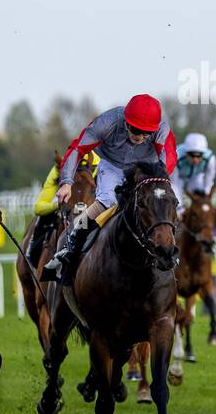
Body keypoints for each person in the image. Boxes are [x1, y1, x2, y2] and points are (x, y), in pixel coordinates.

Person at [44, 94, 177, 280]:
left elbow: (168, 156)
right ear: (126, 122)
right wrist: (66, 182)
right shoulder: (107, 122)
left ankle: (170, 250)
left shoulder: (162, 128)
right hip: (113, 165)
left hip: (146, 167)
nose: (140, 137)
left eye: (146, 133)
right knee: (107, 200)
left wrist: (158, 177)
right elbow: (78, 148)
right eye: (136, 130)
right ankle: (74, 238)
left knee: (162, 200)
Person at [25, 149, 98, 267]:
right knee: (44, 218)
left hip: (89, 206)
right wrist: (58, 204)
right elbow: (38, 208)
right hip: (65, 207)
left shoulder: (101, 166)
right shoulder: (57, 170)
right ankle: (31, 259)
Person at [170, 133, 216, 213]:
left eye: (199, 155)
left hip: (196, 177)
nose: (195, 159)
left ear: (204, 153)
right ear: (186, 153)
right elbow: (174, 183)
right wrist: (179, 207)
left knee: (201, 195)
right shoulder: (176, 156)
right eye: (192, 155)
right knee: (177, 204)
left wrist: (205, 198)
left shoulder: (211, 159)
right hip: (178, 178)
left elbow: (208, 181)